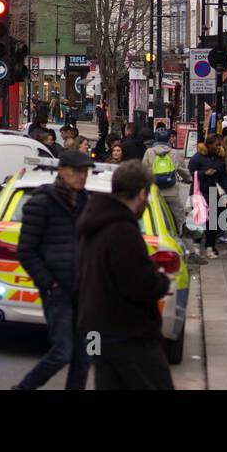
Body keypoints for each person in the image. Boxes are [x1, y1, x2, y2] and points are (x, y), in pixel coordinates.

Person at [76, 160, 173, 388]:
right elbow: (139, 285)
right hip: (125, 333)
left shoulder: (93, 222)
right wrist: (160, 280)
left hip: (94, 331)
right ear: (141, 194)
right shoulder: (123, 230)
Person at [14, 148, 93, 390]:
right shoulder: (42, 202)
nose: (81, 176)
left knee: (85, 356)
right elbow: (26, 250)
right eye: (75, 171)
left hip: (84, 291)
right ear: (61, 171)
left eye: (85, 172)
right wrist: (49, 283)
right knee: (63, 351)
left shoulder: (86, 202)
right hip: (57, 292)